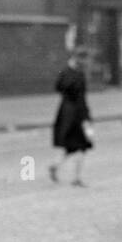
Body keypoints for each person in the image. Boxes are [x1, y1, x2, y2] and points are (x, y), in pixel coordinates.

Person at [50, 48, 93, 186]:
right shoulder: (78, 74)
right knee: (81, 146)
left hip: (65, 112)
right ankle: (76, 178)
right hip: (76, 115)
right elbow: (81, 98)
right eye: (84, 58)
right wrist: (86, 118)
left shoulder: (65, 71)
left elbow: (58, 87)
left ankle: (56, 165)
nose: (86, 61)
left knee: (72, 147)